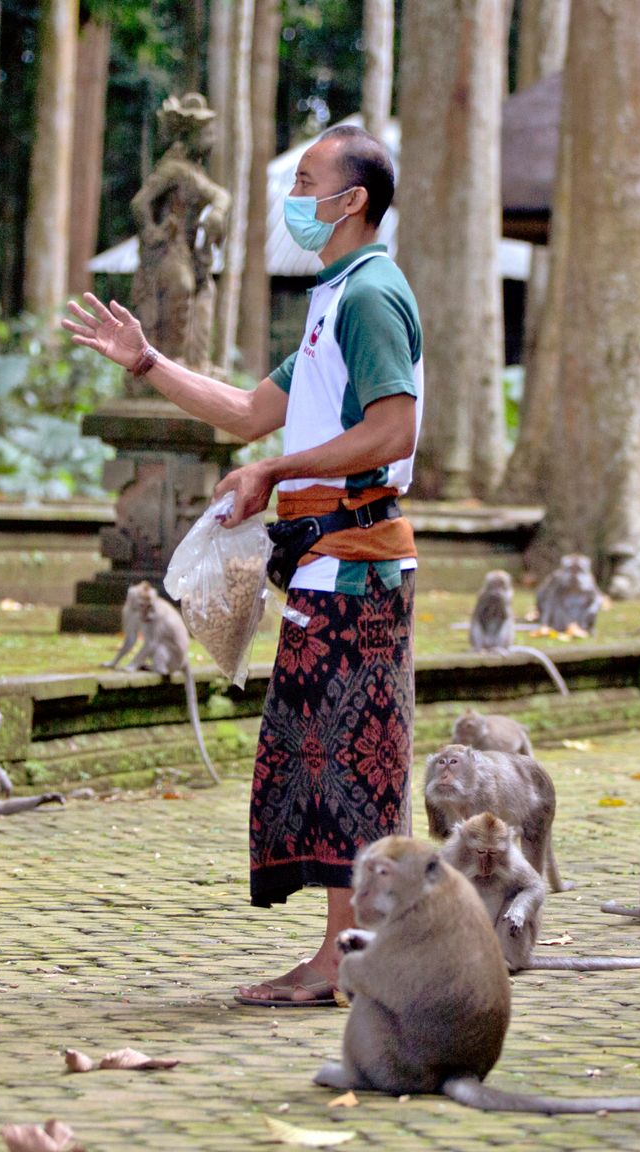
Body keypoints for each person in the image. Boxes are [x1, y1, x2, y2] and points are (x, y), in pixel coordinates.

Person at [63, 124, 423, 1008]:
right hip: (318, 562)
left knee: (348, 763)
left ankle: (350, 960)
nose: (293, 199)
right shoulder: (332, 298)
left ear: (353, 203)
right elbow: (246, 413)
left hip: (355, 563)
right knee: (317, 756)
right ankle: (349, 949)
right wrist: (145, 362)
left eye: (307, 182)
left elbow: (394, 431)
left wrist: (275, 472)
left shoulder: (372, 294)